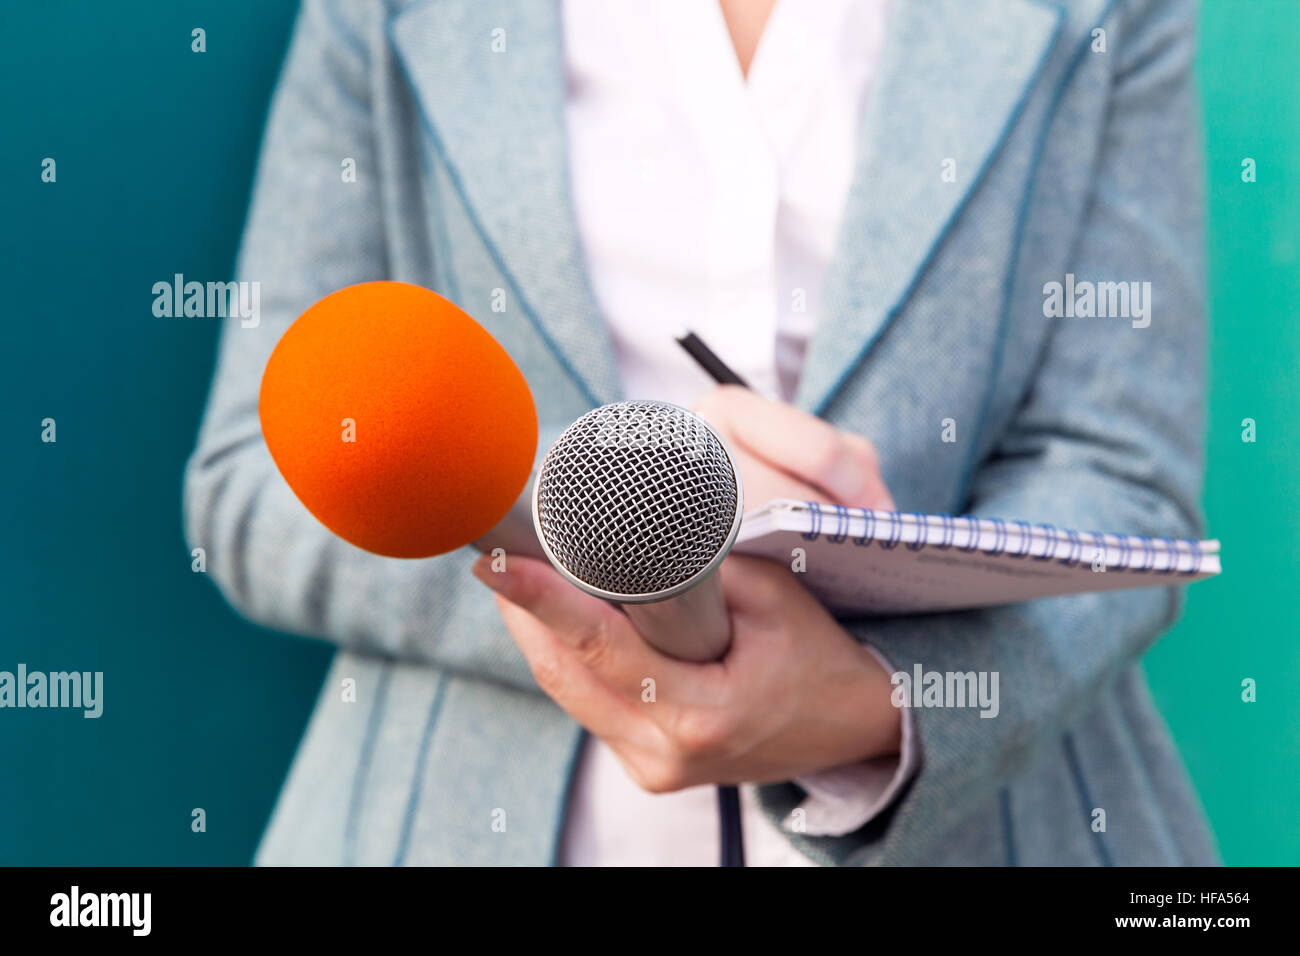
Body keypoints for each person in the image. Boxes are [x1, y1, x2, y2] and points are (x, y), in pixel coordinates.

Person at [184, 0, 1218, 866]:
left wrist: (880, 706)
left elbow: (1122, 481)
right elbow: (253, 479)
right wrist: (626, 505)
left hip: (996, 825)